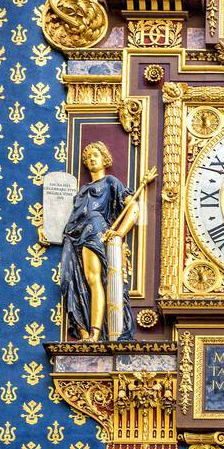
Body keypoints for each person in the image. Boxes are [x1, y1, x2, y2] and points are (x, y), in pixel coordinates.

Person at [60, 142, 140, 342]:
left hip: (94, 231)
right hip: (75, 235)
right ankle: (86, 329)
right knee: (78, 280)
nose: (91, 159)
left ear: (105, 158)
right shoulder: (82, 190)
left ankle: (95, 332)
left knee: (94, 279)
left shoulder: (110, 182)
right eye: (87, 158)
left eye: (95, 155)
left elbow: (134, 208)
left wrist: (119, 233)